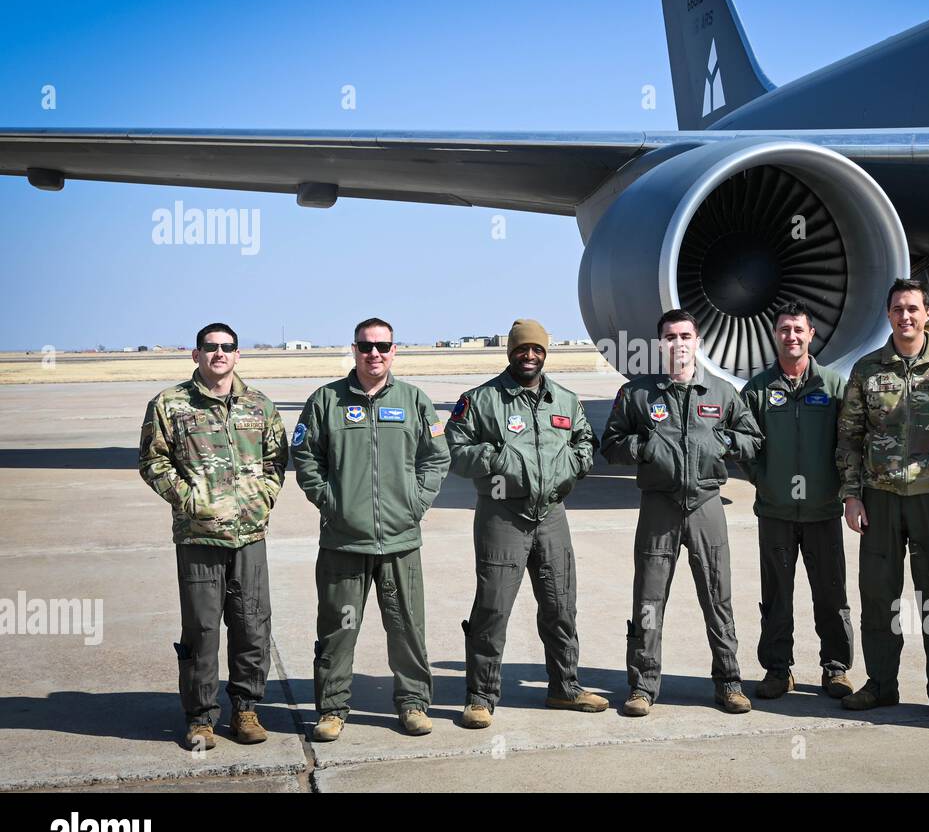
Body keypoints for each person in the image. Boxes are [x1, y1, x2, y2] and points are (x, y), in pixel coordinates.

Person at [292, 317, 450, 741]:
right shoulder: (327, 401)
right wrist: (331, 501)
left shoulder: (415, 400)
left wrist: (416, 504)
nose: (374, 353)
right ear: (354, 349)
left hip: (400, 541)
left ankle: (413, 703)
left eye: (382, 345)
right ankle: (331, 709)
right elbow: (305, 459)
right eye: (366, 346)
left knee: (406, 628)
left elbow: (437, 457)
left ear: (394, 350)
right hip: (344, 542)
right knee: (339, 629)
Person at [446, 318, 607, 728]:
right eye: (521, 349)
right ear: (510, 353)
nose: (529, 356)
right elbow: (455, 447)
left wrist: (572, 465)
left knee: (560, 605)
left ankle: (564, 687)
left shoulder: (566, 401)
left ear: (545, 353)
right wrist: (499, 460)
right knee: (493, 608)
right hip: (502, 515)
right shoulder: (481, 400)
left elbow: (586, 443)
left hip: (551, 515)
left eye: (536, 349)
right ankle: (481, 696)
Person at [600, 309, 763, 716]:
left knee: (716, 596)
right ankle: (642, 686)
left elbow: (753, 439)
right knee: (649, 599)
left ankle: (728, 682)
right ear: (660, 344)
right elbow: (612, 444)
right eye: (670, 337)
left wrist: (720, 444)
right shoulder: (638, 394)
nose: (678, 344)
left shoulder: (721, 392)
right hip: (659, 507)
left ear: (697, 342)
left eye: (685, 336)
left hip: (707, 505)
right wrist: (646, 448)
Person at [836, 279, 929, 720]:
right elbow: (849, 436)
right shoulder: (867, 370)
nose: (906, 316)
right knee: (879, 597)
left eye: (913, 309)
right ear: (888, 314)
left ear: (928, 314)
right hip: (879, 500)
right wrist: (851, 496)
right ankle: (881, 684)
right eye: (898, 309)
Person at [139, 322, 287, 750]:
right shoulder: (170, 404)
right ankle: (201, 717)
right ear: (196, 355)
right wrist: (189, 500)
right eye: (211, 347)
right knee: (202, 629)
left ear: (238, 355)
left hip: (249, 536)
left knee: (252, 626)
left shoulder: (259, 405)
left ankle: (246, 710)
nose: (219, 354)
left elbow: (277, 460)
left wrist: (262, 500)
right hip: (199, 538)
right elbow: (153, 461)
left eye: (227, 347)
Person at [739, 300, 854, 700]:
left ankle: (835, 668)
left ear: (811, 335)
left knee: (831, 593)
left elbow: (849, 443)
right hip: (776, 512)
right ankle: (777, 669)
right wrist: (767, 482)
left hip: (823, 510)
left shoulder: (834, 386)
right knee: (776, 596)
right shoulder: (756, 390)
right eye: (784, 330)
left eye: (798, 329)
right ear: (776, 336)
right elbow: (745, 448)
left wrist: (839, 488)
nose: (792, 336)